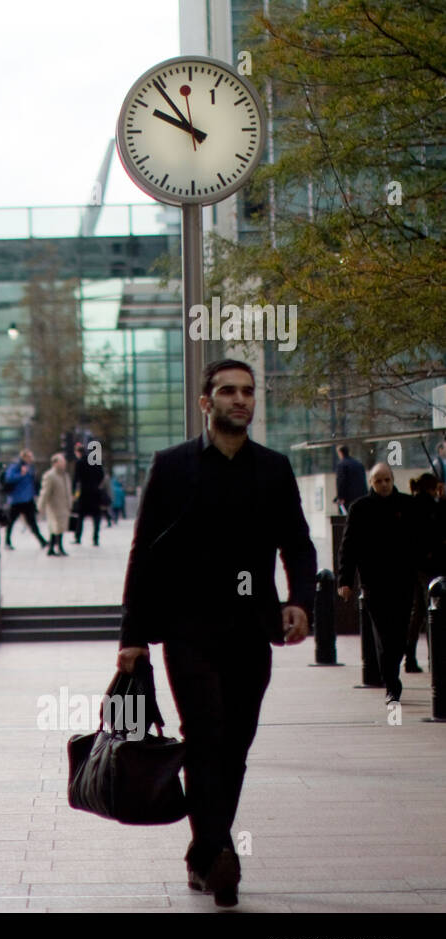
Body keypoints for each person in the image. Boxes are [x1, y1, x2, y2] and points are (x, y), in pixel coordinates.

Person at [118, 359, 316, 909]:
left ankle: (203, 851)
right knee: (205, 737)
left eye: (248, 392)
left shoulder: (274, 469)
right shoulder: (173, 466)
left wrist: (300, 599)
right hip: (189, 630)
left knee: (236, 746)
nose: (240, 400)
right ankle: (218, 854)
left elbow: (297, 543)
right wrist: (132, 636)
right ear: (206, 402)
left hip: (251, 631)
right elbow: (145, 553)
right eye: (228, 391)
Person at [338, 462, 420, 703]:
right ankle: (392, 684)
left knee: (400, 633)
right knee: (383, 635)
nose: (383, 485)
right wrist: (345, 580)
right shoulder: (360, 509)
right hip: (374, 584)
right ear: (371, 483)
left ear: (393, 480)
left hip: (403, 582)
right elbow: (348, 547)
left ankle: (392, 672)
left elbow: (421, 537)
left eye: (387, 480)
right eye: (378, 481)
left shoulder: (408, 505)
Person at [404, 473, 443, 674]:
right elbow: (439, 528)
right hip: (430, 566)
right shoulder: (430, 506)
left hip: (413, 566)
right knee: (433, 611)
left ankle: (410, 656)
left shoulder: (410, 504)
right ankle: (435, 656)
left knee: (418, 612)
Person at [2, 450, 48, 549]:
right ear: (24, 457)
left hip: (28, 499)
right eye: (30, 457)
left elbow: (32, 481)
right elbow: (9, 478)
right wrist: (21, 474)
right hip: (17, 500)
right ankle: (7, 542)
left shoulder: (30, 467)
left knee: (32, 521)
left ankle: (42, 541)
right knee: (11, 522)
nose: (32, 459)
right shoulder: (16, 466)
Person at [71, 441, 106, 546]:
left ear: (77, 452)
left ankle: (78, 537)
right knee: (96, 516)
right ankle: (95, 539)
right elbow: (102, 475)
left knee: (80, 516)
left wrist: (73, 492)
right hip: (95, 492)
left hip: (84, 493)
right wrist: (97, 485)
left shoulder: (79, 463)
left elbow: (76, 479)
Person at [37, 453, 72, 556]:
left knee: (59, 527)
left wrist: (70, 503)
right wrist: (40, 506)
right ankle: (56, 547)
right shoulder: (50, 476)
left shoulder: (65, 475)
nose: (64, 464)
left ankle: (54, 547)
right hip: (54, 506)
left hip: (63, 505)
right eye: (62, 462)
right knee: (55, 527)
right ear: (55, 463)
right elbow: (45, 492)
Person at [334, 445, 368, 514]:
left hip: (348, 499)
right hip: (361, 497)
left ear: (340, 453)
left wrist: (340, 497)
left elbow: (341, 482)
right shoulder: (359, 464)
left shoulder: (342, 465)